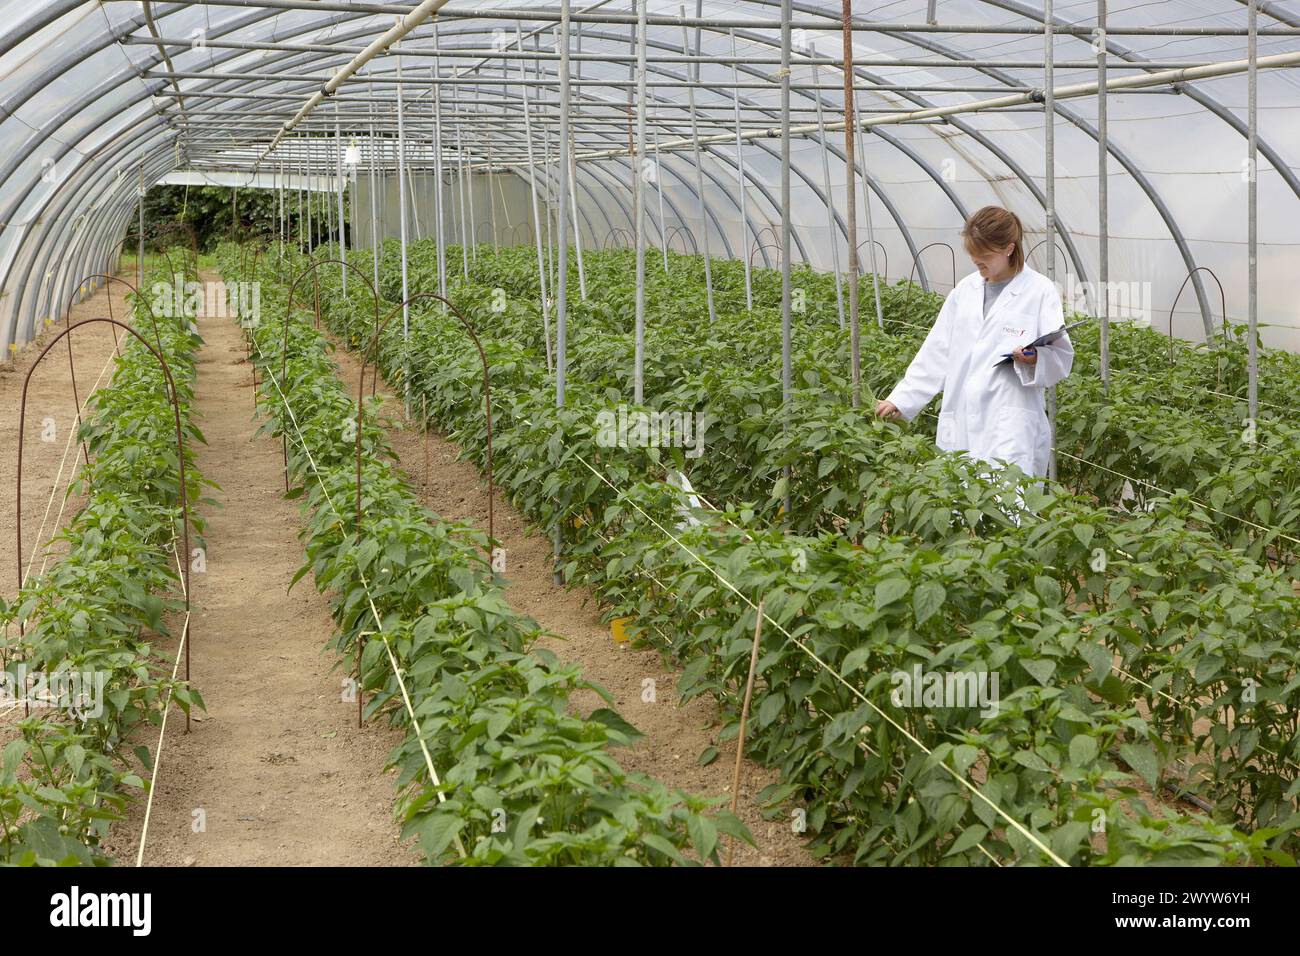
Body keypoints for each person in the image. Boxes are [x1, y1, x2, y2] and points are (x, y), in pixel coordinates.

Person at [874, 205, 1073, 481]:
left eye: (985, 257)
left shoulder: (1040, 291)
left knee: (1009, 505)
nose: (978, 264)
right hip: (961, 418)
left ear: (1009, 249)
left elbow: (1061, 357)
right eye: (974, 256)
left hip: (1009, 424)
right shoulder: (965, 291)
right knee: (957, 501)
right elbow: (938, 350)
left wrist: (1035, 358)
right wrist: (902, 399)